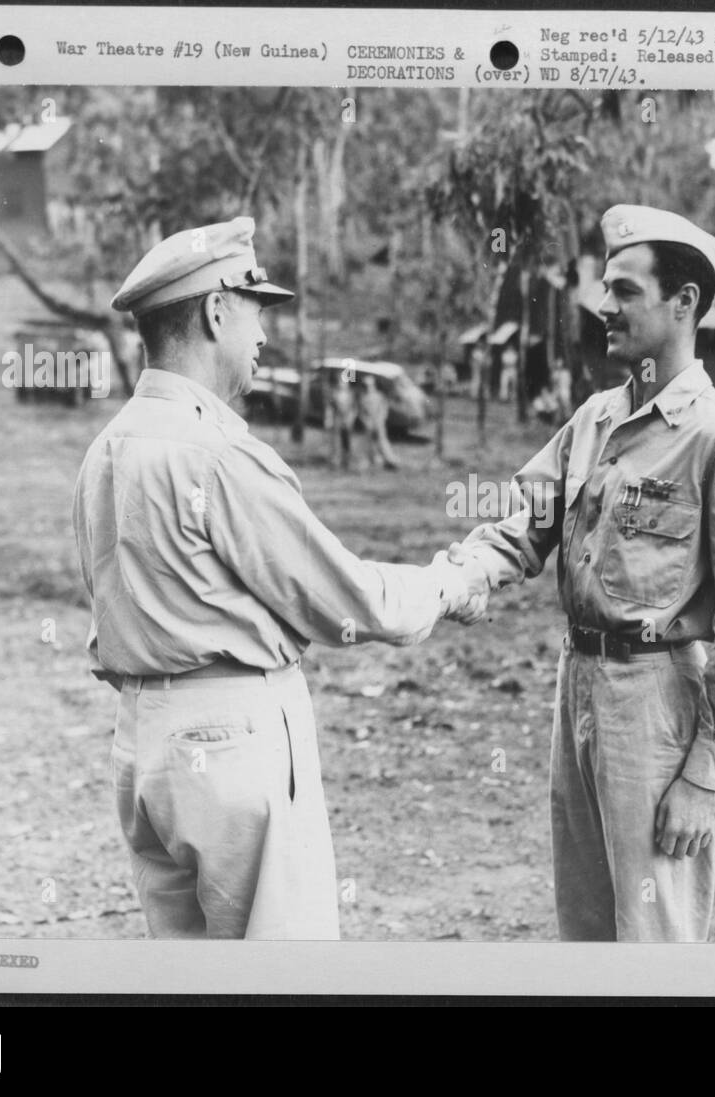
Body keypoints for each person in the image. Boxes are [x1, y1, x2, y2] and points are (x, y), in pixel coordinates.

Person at [72, 217, 487, 940]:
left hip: (143, 744)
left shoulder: (105, 450)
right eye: (258, 308)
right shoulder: (218, 452)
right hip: (232, 736)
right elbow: (351, 602)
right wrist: (453, 579)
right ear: (215, 310)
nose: (265, 333)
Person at [449, 205, 715, 941]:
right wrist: (454, 579)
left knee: (651, 934)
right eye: (606, 287)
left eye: (625, 290)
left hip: (654, 699)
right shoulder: (596, 419)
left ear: (684, 302)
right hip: (578, 685)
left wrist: (705, 772)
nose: (604, 306)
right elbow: (524, 527)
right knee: (586, 922)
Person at [357, 374, 399, 469]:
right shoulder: (363, 397)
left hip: (379, 422)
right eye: (366, 384)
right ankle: (373, 460)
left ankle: (391, 460)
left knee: (382, 441)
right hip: (368, 422)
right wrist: (365, 421)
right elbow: (361, 412)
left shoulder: (380, 396)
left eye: (370, 384)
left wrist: (380, 419)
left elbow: (384, 409)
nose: (368, 386)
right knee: (369, 442)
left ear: (374, 384)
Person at [326, 370, 358, 471]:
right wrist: (328, 419)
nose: (342, 383)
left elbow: (354, 408)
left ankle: (347, 462)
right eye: (340, 381)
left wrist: (352, 418)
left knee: (347, 441)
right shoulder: (334, 393)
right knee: (336, 441)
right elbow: (329, 408)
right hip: (337, 419)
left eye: (344, 381)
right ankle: (335, 462)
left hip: (348, 420)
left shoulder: (351, 394)